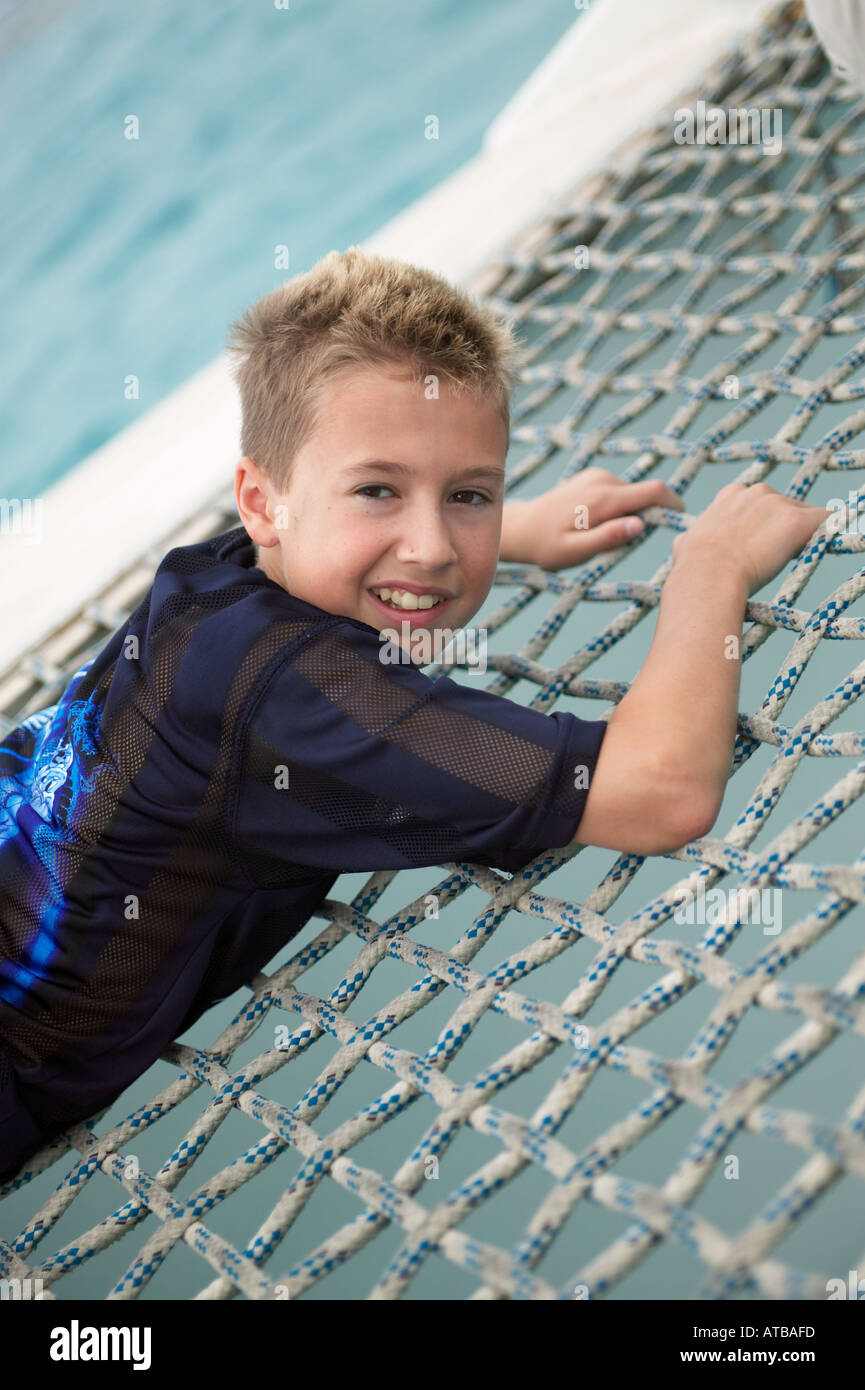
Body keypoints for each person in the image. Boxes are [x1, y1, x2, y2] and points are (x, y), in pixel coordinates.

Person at [0, 247, 830, 1181]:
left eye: (469, 495)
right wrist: (710, 567)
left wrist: (508, 533)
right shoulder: (298, 697)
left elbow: (350, 548)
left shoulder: (211, 579)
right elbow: (660, 790)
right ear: (261, 501)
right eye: (379, 491)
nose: (433, 547)